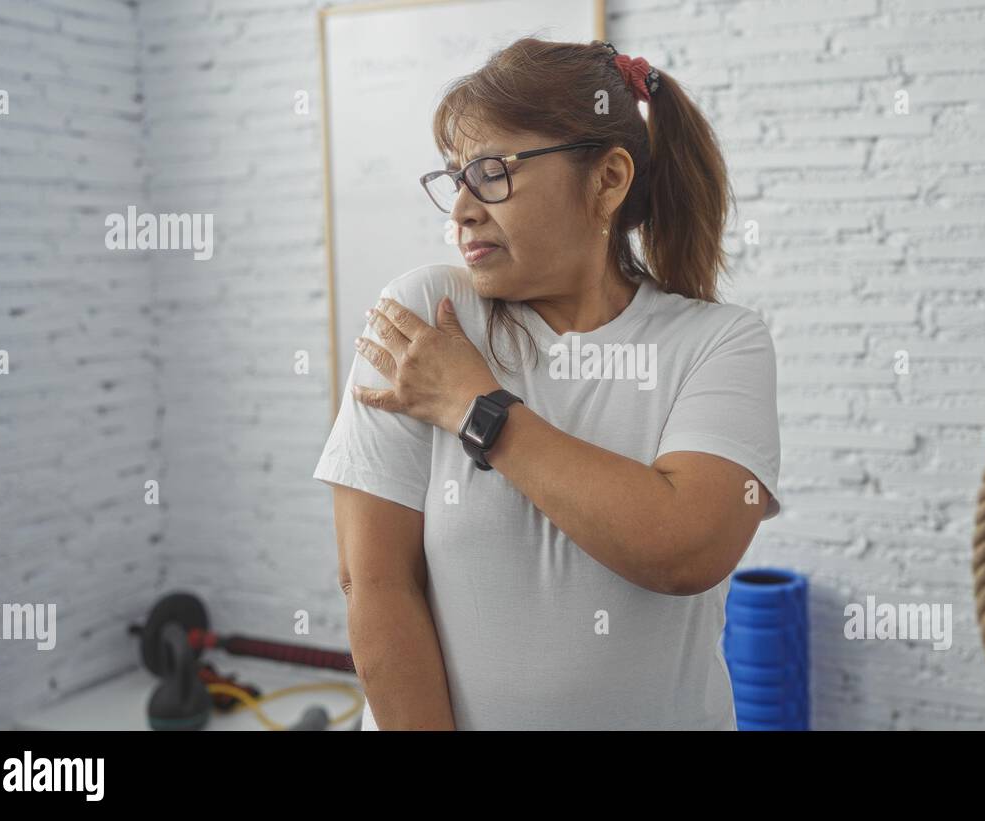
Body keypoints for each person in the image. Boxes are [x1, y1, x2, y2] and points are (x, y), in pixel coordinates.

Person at [313, 37, 782, 730]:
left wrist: (481, 410)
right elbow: (375, 582)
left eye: (493, 172)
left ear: (607, 180)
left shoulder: (717, 342)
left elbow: (685, 548)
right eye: (455, 179)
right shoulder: (426, 319)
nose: (462, 210)